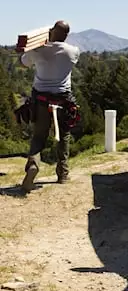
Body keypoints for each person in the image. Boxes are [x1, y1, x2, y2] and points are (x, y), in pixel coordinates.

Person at [17, 21, 81, 192]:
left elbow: (23, 62)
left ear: (51, 32)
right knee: (64, 134)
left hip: (41, 100)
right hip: (63, 100)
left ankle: (33, 164)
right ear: (66, 35)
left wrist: (37, 45)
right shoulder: (72, 51)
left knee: (39, 137)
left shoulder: (38, 51)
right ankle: (63, 174)